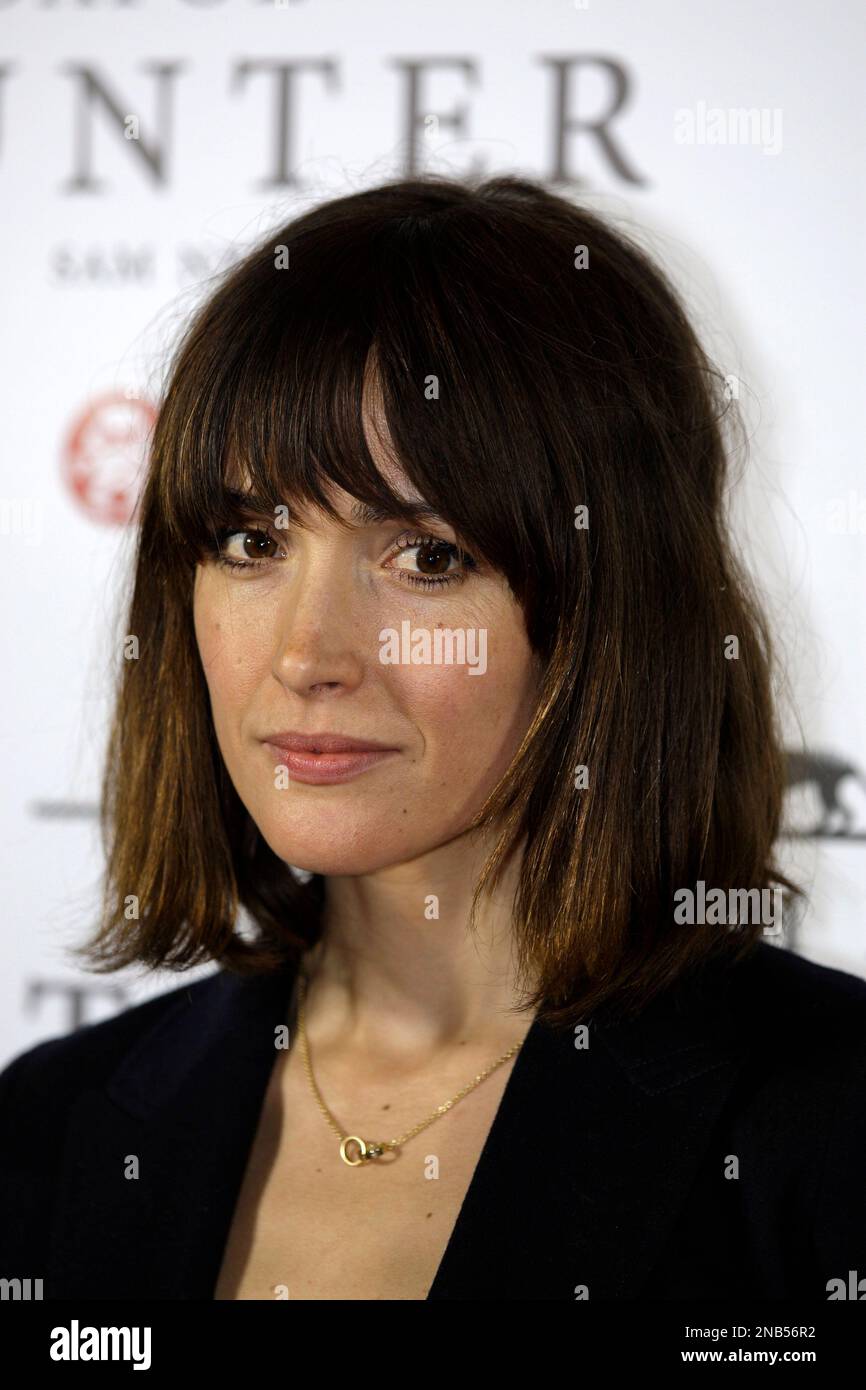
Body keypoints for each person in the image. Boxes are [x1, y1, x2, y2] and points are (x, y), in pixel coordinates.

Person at [1, 174, 864, 1302]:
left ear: (609, 610)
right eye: (250, 540)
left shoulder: (825, 1128)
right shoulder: (51, 1125)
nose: (307, 653)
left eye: (427, 557)